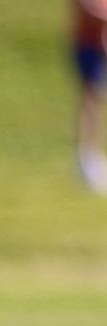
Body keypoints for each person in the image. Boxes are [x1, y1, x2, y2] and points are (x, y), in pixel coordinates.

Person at [73, 0, 107, 194]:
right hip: (88, 48)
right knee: (89, 99)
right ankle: (86, 156)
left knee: (98, 101)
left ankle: (95, 153)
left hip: (100, 49)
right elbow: (90, 10)